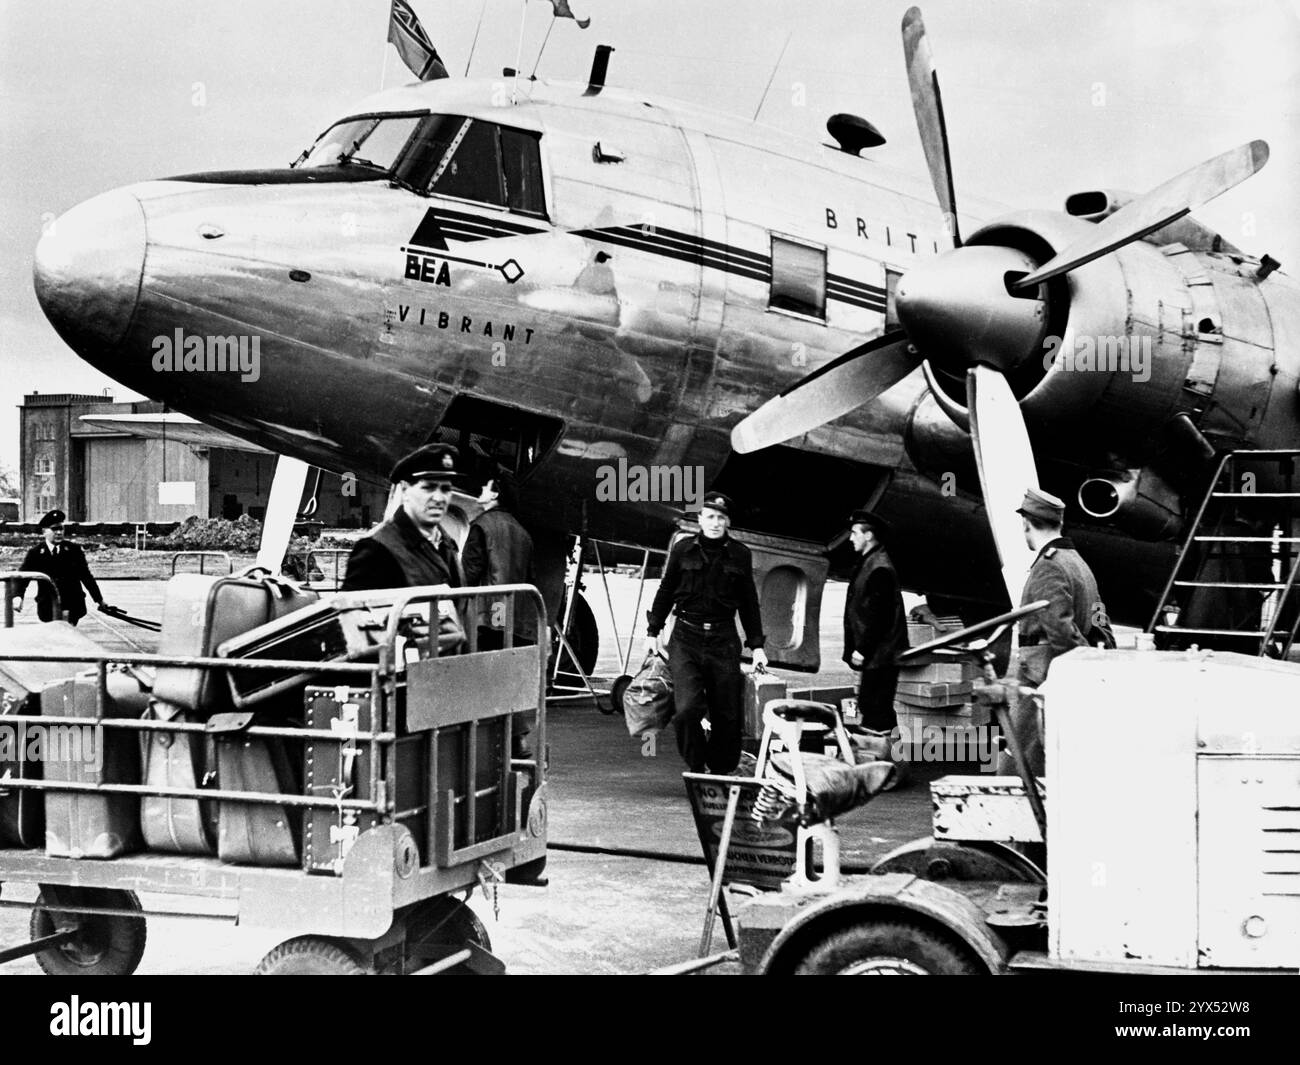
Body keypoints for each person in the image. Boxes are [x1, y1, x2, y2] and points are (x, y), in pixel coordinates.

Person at [646, 491, 767, 775]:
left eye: (721, 518)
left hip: (723, 639)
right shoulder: (682, 549)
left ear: (728, 522)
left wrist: (757, 646)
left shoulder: (740, 554)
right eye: (710, 516)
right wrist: (653, 631)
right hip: (686, 637)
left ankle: (722, 770)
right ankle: (697, 765)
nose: (715, 522)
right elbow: (665, 591)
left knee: (726, 713)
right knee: (687, 709)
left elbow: (749, 602)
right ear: (699, 519)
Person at [1009, 487, 1115, 774]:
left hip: (1040, 673)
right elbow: (1100, 622)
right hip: (1058, 671)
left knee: (1016, 762)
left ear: (1026, 523)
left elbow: (1059, 629)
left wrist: (1078, 669)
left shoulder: (1050, 566)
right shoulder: (1078, 563)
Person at [341, 444, 464, 592]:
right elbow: (353, 611)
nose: (439, 498)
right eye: (428, 488)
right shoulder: (377, 548)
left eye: (445, 489)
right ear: (405, 489)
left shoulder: (446, 543)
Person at [842, 510, 909, 731]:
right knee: (873, 708)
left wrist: (862, 649)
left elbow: (881, 616)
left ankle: (885, 760)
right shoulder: (870, 562)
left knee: (876, 710)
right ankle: (884, 757)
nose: (850, 538)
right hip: (879, 655)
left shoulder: (879, 568)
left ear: (868, 536)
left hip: (881, 655)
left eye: (854, 533)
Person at [461, 470, 537, 647]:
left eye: (486, 486)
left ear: (495, 494)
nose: (481, 488)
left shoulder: (481, 526)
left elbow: (468, 574)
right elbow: (530, 578)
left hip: (486, 618)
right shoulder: (523, 533)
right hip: (516, 621)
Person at [12, 509, 114, 626]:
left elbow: (86, 577)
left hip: (72, 605)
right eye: (55, 529)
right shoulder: (35, 553)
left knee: (68, 636)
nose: (59, 532)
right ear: (44, 531)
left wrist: (99, 600)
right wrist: (18, 596)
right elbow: (23, 577)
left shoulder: (73, 550)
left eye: (61, 528)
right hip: (48, 606)